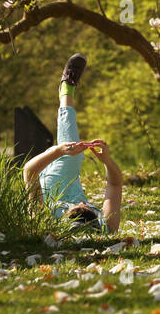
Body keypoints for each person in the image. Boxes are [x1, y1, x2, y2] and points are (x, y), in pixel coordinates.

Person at [22, 54, 123, 234]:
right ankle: (66, 92)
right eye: (88, 206)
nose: (83, 201)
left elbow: (30, 172)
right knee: (74, 157)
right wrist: (107, 160)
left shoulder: (42, 220)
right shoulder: (107, 227)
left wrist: (60, 151)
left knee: (73, 158)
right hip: (71, 183)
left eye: (79, 205)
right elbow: (115, 184)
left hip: (52, 186)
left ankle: (66, 90)